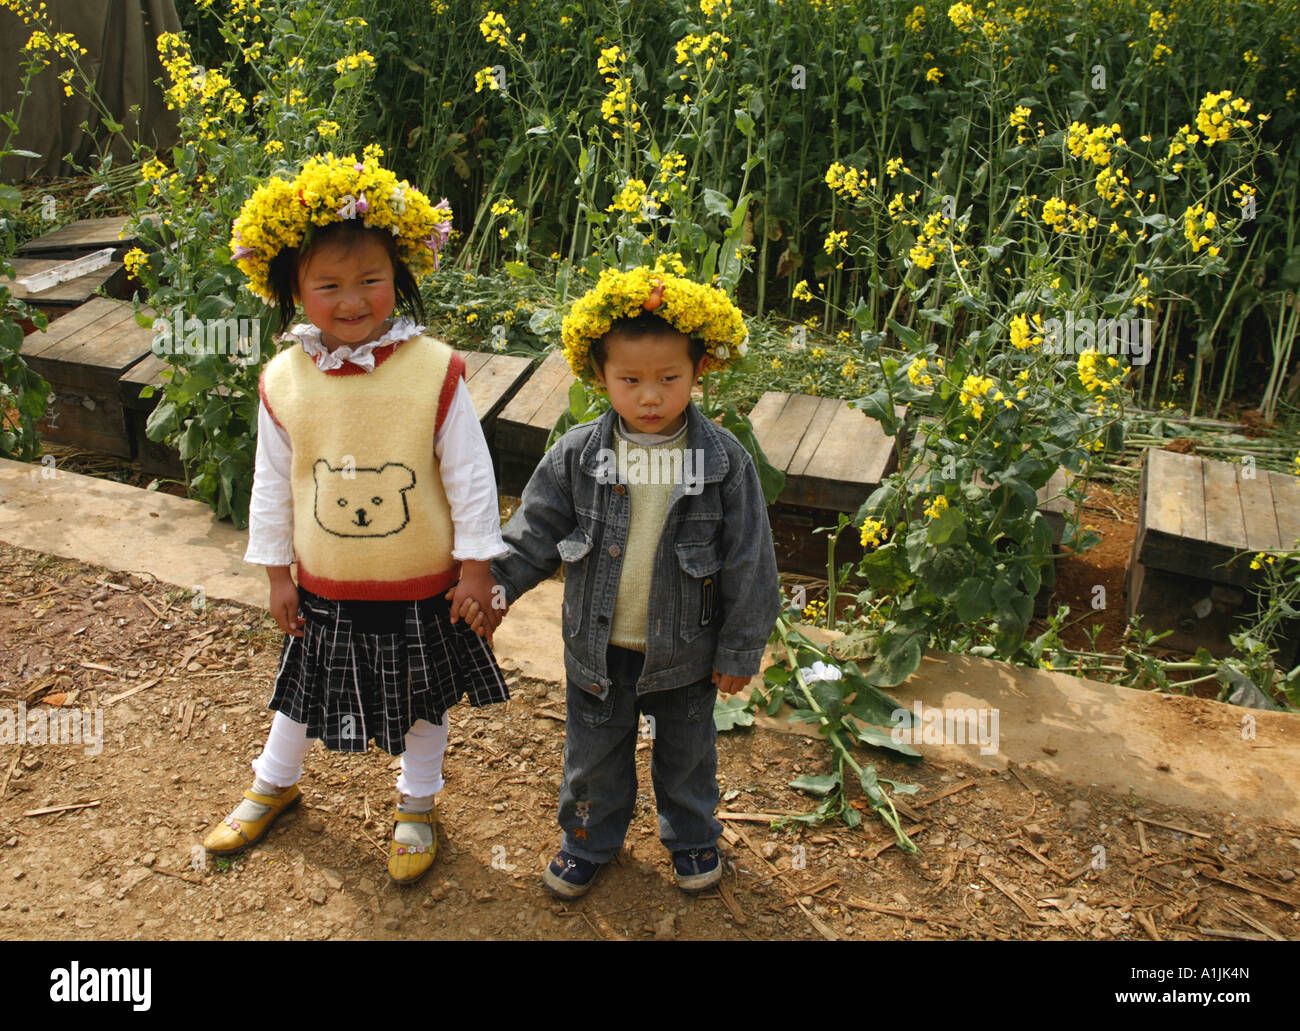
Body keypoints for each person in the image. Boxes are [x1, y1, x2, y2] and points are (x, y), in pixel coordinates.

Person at [201, 148, 507, 886]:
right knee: (305, 688)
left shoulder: (434, 370)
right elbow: (272, 483)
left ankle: (417, 801)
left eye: (370, 280)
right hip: (325, 582)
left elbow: (469, 473)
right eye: (327, 285)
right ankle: (274, 781)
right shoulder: (284, 380)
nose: (351, 300)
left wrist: (476, 566)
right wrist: (277, 572)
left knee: (423, 695)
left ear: (397, 279)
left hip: (422, 581)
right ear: (292, 290)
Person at [488, 266, 781, 897]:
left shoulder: (725, 462)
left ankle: (694, 837)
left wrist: (739, 648)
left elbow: (750, 561)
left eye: (669, 379)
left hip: (690, 653)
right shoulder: (576, 455)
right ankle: (586, 842)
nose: (650, 396)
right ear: (599, 376)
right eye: (630, 380)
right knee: (593, 756)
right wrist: (496, 589)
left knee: (688, 755)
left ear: (699, 369)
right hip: (598, 649)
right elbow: (533, 533)